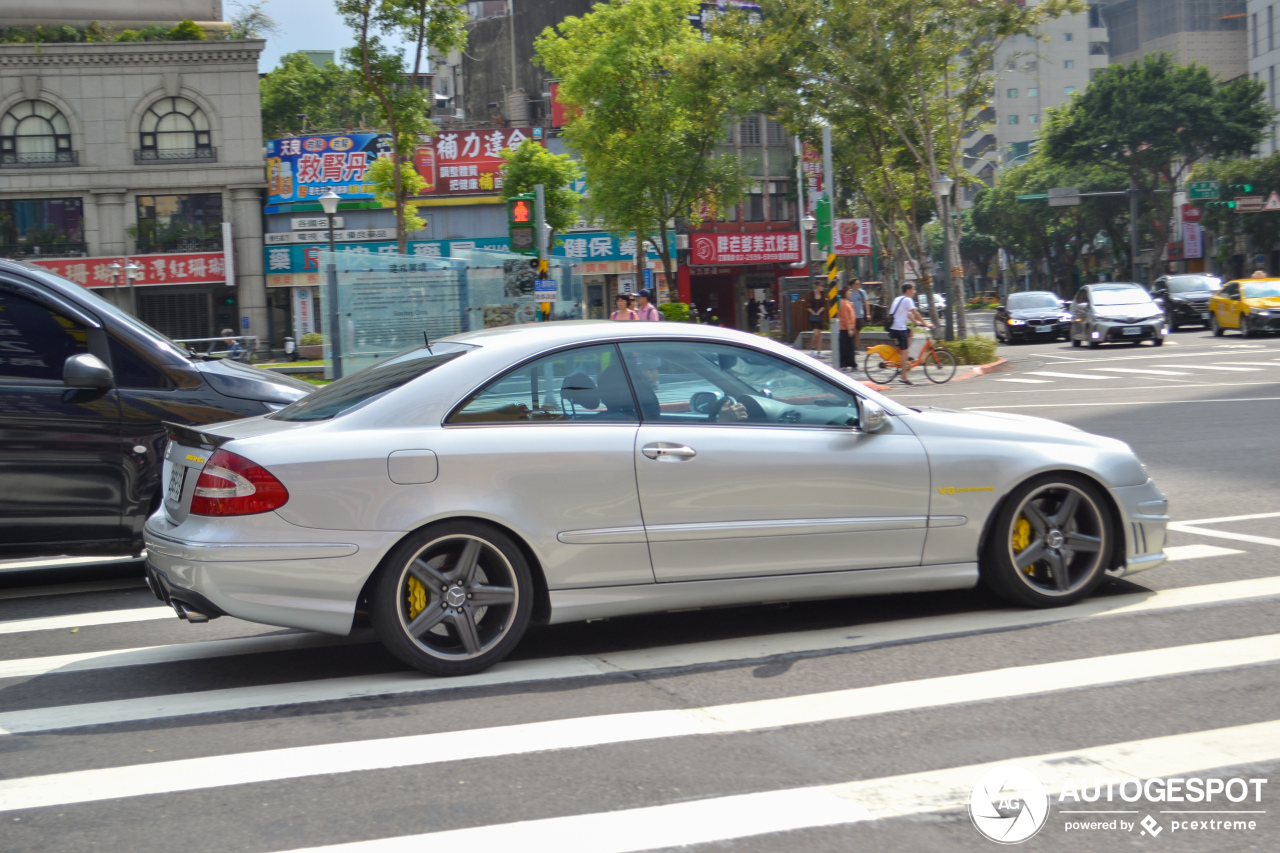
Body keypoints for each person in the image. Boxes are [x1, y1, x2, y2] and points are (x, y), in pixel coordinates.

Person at [887, 283, 932, 385]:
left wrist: (916, 323)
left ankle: (905, 355)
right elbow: (916, 313)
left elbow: (907, 313)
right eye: (913, 289)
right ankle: (903, 376)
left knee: (911, 332)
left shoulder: (898, 299)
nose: (915, 291)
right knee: (905, 351)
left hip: (893, 327)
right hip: (899, 328)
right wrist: (926, 324)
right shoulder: (908, 300)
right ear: (908, 290)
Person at [807, 284, 827, 356]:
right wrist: (814, 313)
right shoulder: (811, 294)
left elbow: (824, 305)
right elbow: (808, 306)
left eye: (823, 286)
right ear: (817, 286)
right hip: (813, 315)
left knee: (819, 334)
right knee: (816, 333)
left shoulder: (822, 294)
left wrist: (819, 312)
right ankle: (812, 349)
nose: (822, 287)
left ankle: (819, 352)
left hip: (820, 315)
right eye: (821, 286)